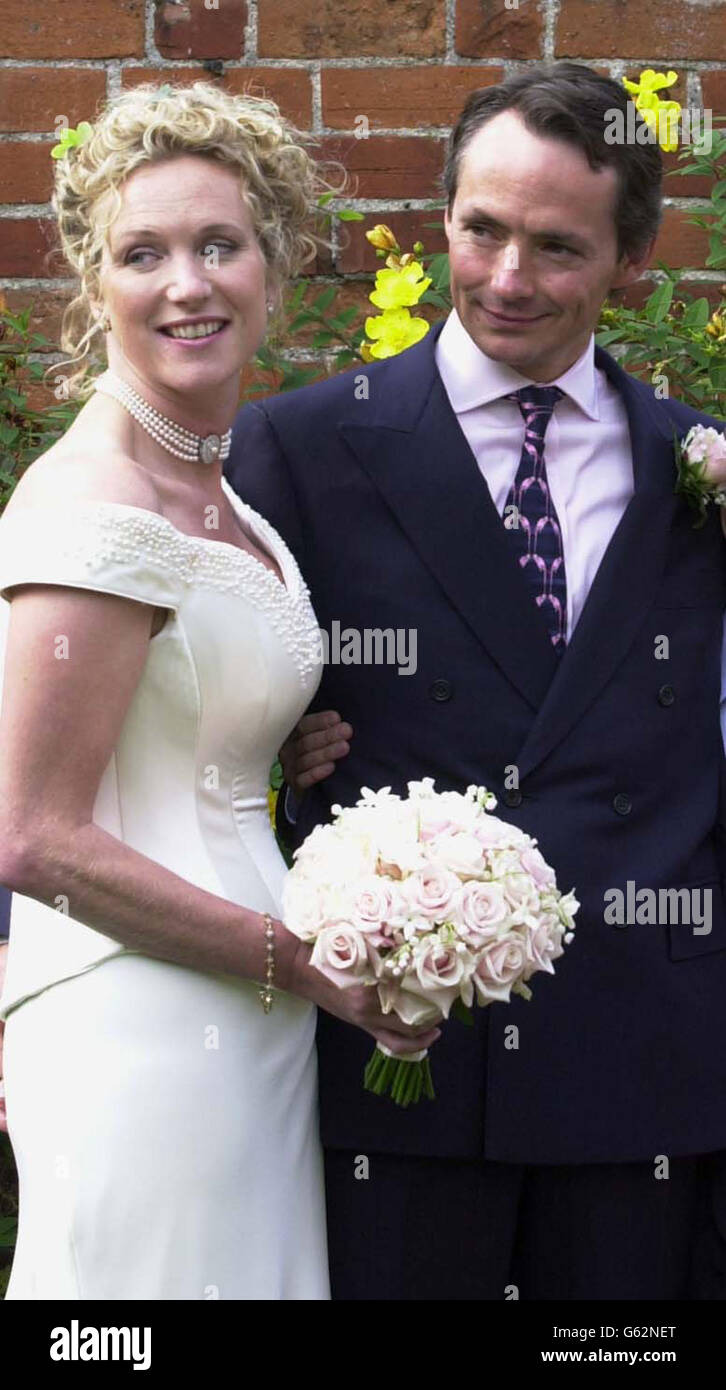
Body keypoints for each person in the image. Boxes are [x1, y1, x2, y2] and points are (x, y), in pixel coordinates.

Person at [224, 62, 726, 1300]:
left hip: (639, 1066)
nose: (508, 278)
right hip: (403, 1061)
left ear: (630, 258)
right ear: (446, 212)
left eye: (557, 247)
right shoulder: (298, 446)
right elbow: (209, 713)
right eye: (483, 229)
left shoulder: (697, 468)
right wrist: (272, 749)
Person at [0, 81, 439, 1301]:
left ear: (273, 266)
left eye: (218, 245)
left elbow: (183, 721)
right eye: (143, 253)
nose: (186, 284)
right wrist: (295, 959)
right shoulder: (97, 501)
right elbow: (34, 837)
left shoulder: (222, 497)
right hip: (139, 1020)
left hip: (253, 1018)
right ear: (97, 286)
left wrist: (276, 742)